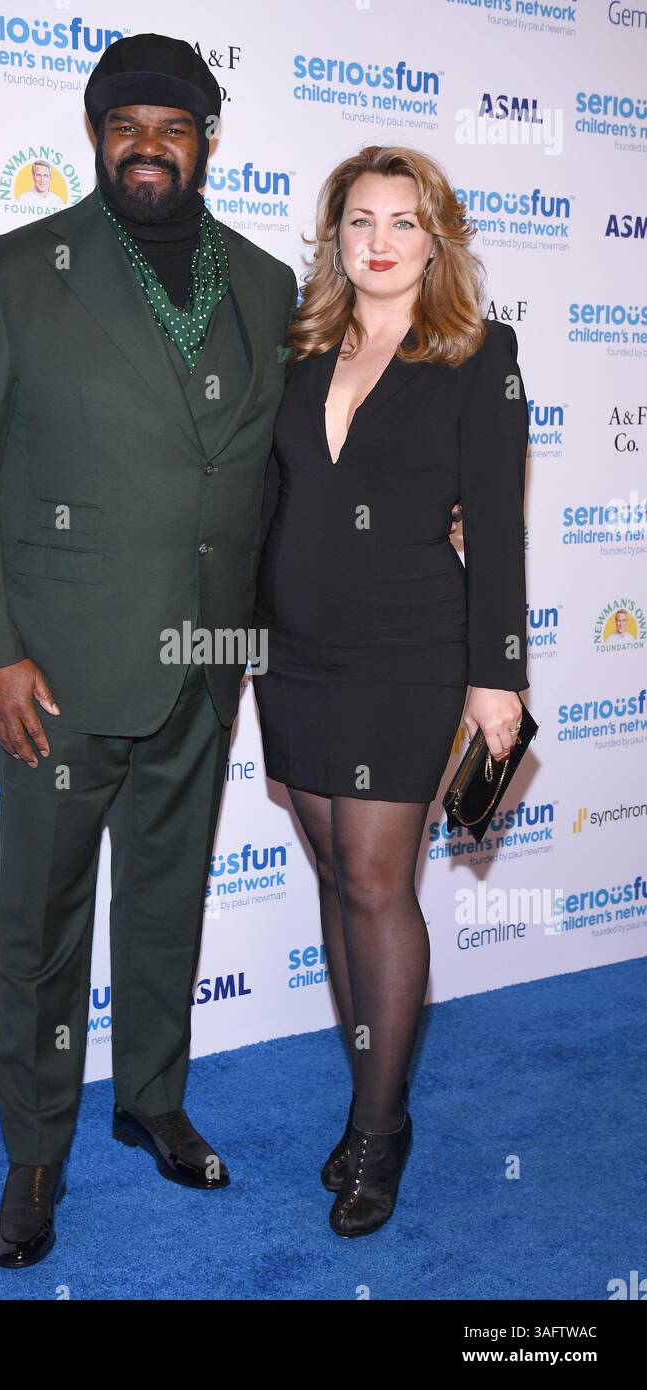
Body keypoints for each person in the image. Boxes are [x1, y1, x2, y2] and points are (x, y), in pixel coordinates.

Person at [0, 32, 297, 1268]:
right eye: (126, 122)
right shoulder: (11, 275)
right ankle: (36, 1152)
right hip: (58, 665)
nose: (149, 144)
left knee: (168, 893)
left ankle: (150, 1095)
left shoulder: (263, 284)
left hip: (207, 653)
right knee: (42, 916)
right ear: (96, 137)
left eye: (174, 125)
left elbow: (286, 462)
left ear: (206, 142)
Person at [252, 145, 530, 1237]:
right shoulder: (299, 346)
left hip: (408, 650)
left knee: (376, 884)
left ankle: (380, 1127)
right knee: (331, 874)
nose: (377, 240)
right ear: (334, 238)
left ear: (437, 237)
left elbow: (496, 529)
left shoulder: (478, 353)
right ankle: (367, 1088)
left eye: (402, 221)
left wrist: (496, 675)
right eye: (357, 220)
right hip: (293, 651)